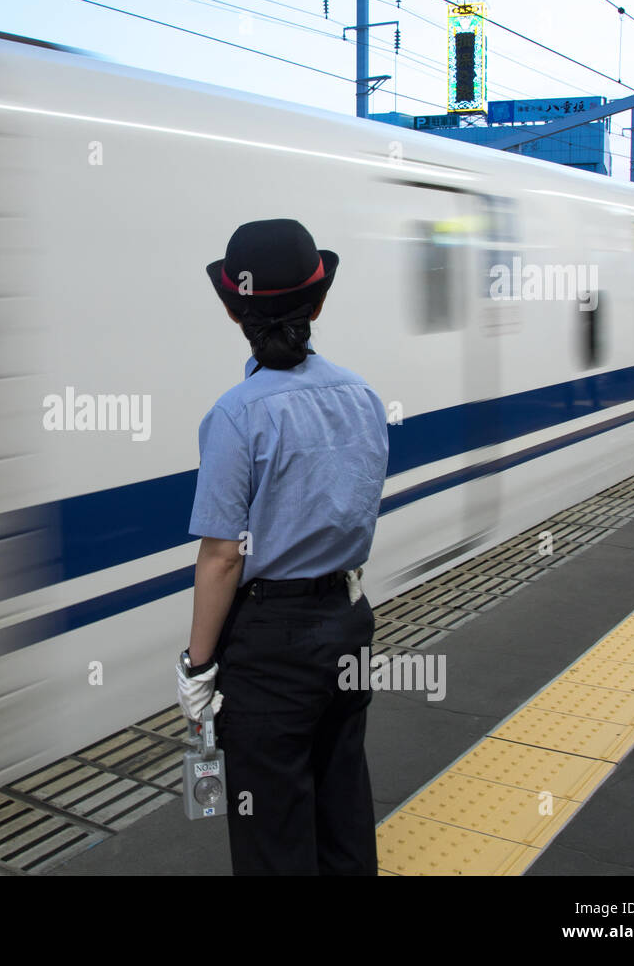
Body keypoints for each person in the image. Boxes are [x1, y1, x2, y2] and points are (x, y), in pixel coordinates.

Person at [175, 218, 389, 876]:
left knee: (272, 833)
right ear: (318, 304)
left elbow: (222, 556)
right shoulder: (363, 396)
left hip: (270, 649)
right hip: (348, 623)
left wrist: (198, 664)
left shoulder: (237, 413)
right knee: (343, 804)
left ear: (233, 311)